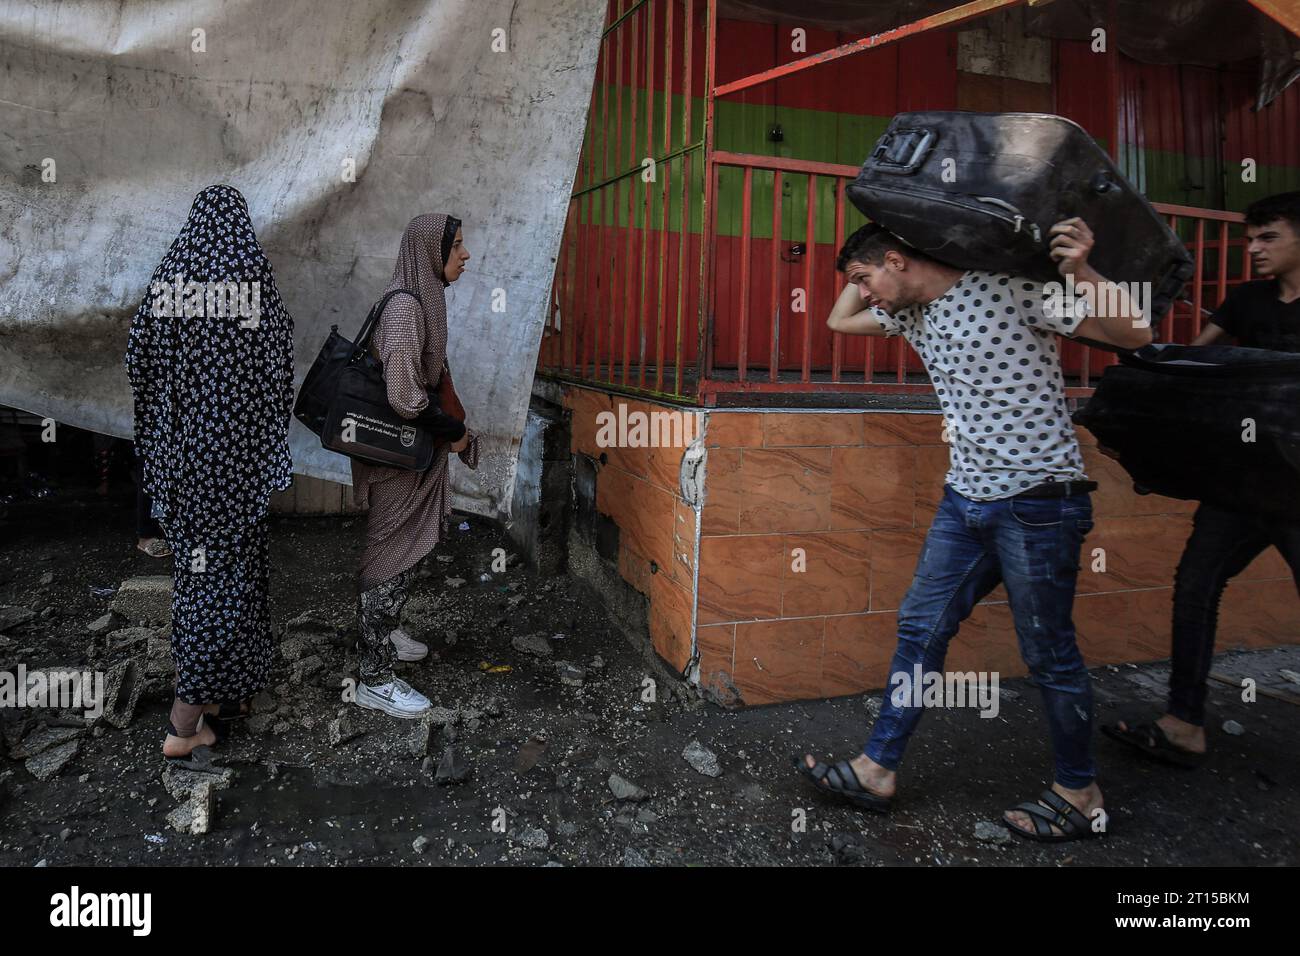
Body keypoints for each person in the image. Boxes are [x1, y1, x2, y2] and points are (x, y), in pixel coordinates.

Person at [797, 217, 1152, 842]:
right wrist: (863, 269)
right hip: (966, 503)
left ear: (897, 259)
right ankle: (876, 770)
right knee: (920, 627)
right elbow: (838, 319)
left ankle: (1080, 792)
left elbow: (1135, 332)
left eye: (867, 277)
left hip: (1039, 502)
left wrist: (1080, 271)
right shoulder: (910, 315)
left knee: (1048, 653)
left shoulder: (1012, 288)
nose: (864, 293)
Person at [1105, 191, 1300, 766]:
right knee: (1194, 588)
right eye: (1250, 238)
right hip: (1243, 484)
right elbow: (1188, 368)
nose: (1254, 248)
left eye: (1269, 237)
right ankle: (1183, 723)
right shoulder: (1245, 302)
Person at [125, 184, 295, 764]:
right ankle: (183, 723)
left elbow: (137, 360)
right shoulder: (252, 279)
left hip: (185, 469)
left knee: (210, 578)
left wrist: (173, 417)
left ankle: (223, 698)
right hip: (238, 468)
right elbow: (280, 363)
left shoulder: (171, 279)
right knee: (225, 584)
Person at [351, 214, 479, 719]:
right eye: (458, 246)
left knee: (405, 549)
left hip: (411, 456)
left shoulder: (425, 300)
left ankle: (384, 632)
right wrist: (456, 434)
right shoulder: (406, 308)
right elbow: (405, 396)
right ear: (432, 252)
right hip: (396, 459)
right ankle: (374, 677)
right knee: (392, 553)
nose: (465, 255)